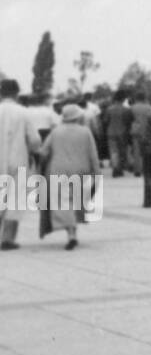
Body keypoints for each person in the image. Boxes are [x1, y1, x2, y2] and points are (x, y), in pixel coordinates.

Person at [38, 103, 99, 250]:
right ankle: (73, 233)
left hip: (58, 170)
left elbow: (43, 152)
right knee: (76, 202)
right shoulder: (85, 132)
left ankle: (71, 233)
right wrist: (96, 172)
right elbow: (93, 153)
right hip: (80, 170)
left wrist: (40, 167)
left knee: (62, 202)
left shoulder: (56, 132)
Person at [0, 79, 42, 250]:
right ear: (16, 94)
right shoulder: (23, 112)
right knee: (15, 198)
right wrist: (33, 150)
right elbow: (35, 140)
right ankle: (8, 238)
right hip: (18, 159)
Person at [104, 90, 132, 178]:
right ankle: (121, 168)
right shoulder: (126, 110)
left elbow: (105, 121)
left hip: (111, 133)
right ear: (123, 99)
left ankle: (115, 168)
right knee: (122, 151)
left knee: (113, 151)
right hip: (123, 133)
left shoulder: (109, 109)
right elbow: (128, 122)